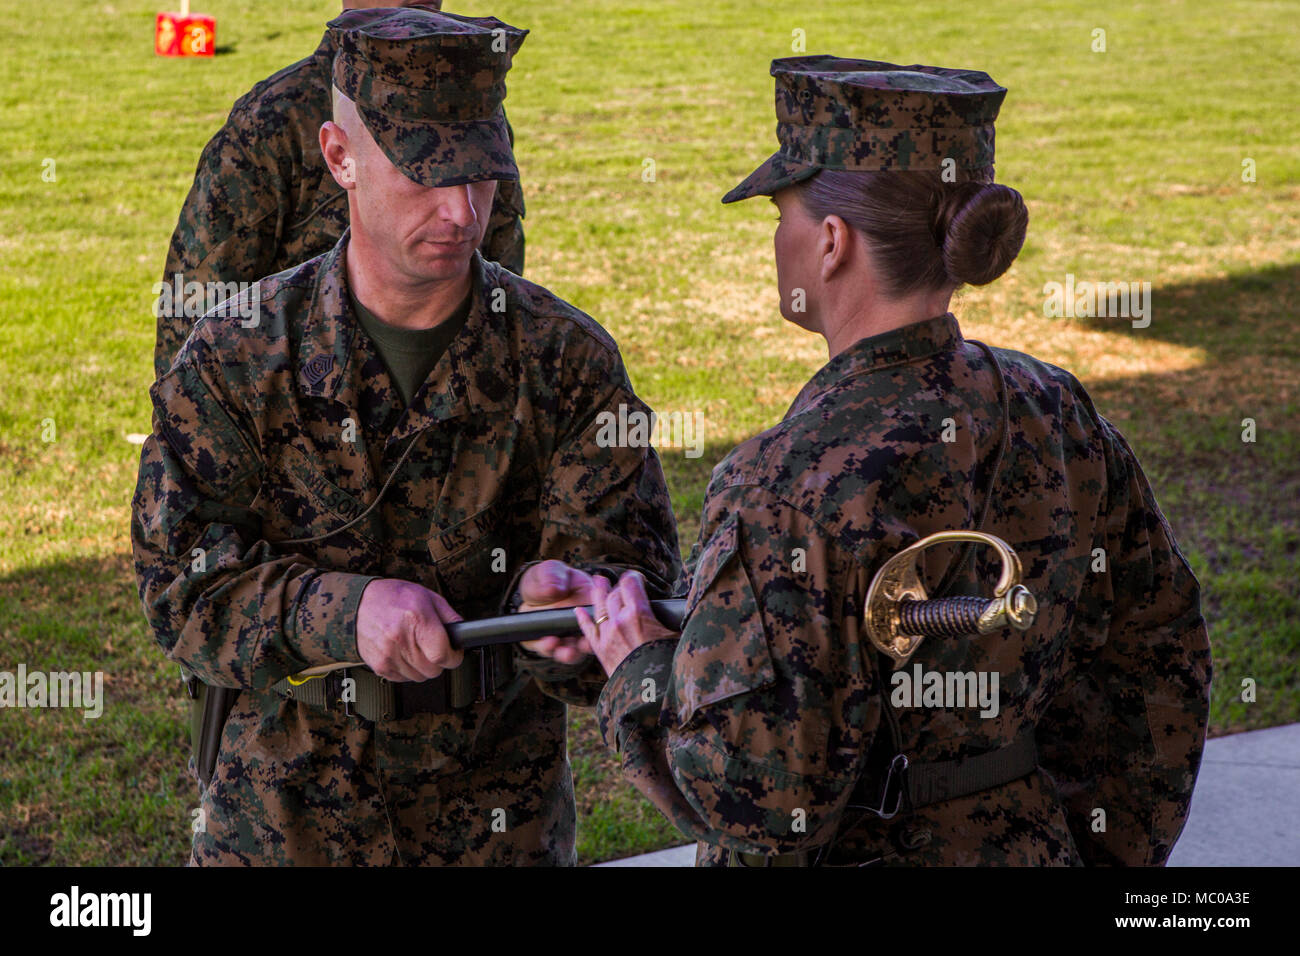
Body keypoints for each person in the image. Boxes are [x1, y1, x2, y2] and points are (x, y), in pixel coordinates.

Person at [576, 56, 1212, 867]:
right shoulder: (1054, 408)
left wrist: (638, 670)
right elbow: (1159, 650)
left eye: (782, 214)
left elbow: (756, 796)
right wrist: (1097, 848)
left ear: (831, 242)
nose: (776, 240)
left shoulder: (786, 481)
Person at [131, 7, 680, 866]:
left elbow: (634, 584)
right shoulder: (237, 357)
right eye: (426, 173)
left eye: (482, 172)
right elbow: (180, 584)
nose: (462, 210)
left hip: (496, 819)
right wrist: (343, 614)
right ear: (339, 157)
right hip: (282, 820)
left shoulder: (566, 361)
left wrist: (563, 601)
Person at [154, 0, 526, 380]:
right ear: (336, 153)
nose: (461, 209)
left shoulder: (475, 110)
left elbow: (500, 285)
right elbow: (194, 316)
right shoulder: (275, 122)